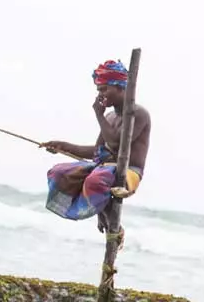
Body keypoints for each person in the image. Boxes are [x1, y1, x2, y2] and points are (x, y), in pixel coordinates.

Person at [41, 60, 152, 232]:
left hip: (129, 172)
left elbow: (116, 145)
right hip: (104, 169)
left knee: (96, 179)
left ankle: (112, 224)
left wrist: (98, 115)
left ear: (120, 87)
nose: (100, 94)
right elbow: (98, 151)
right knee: (59, 173)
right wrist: (64, 146)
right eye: (99, 90)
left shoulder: (138, 114)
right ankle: (100, 213)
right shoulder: (109, 117)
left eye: (104, 89)